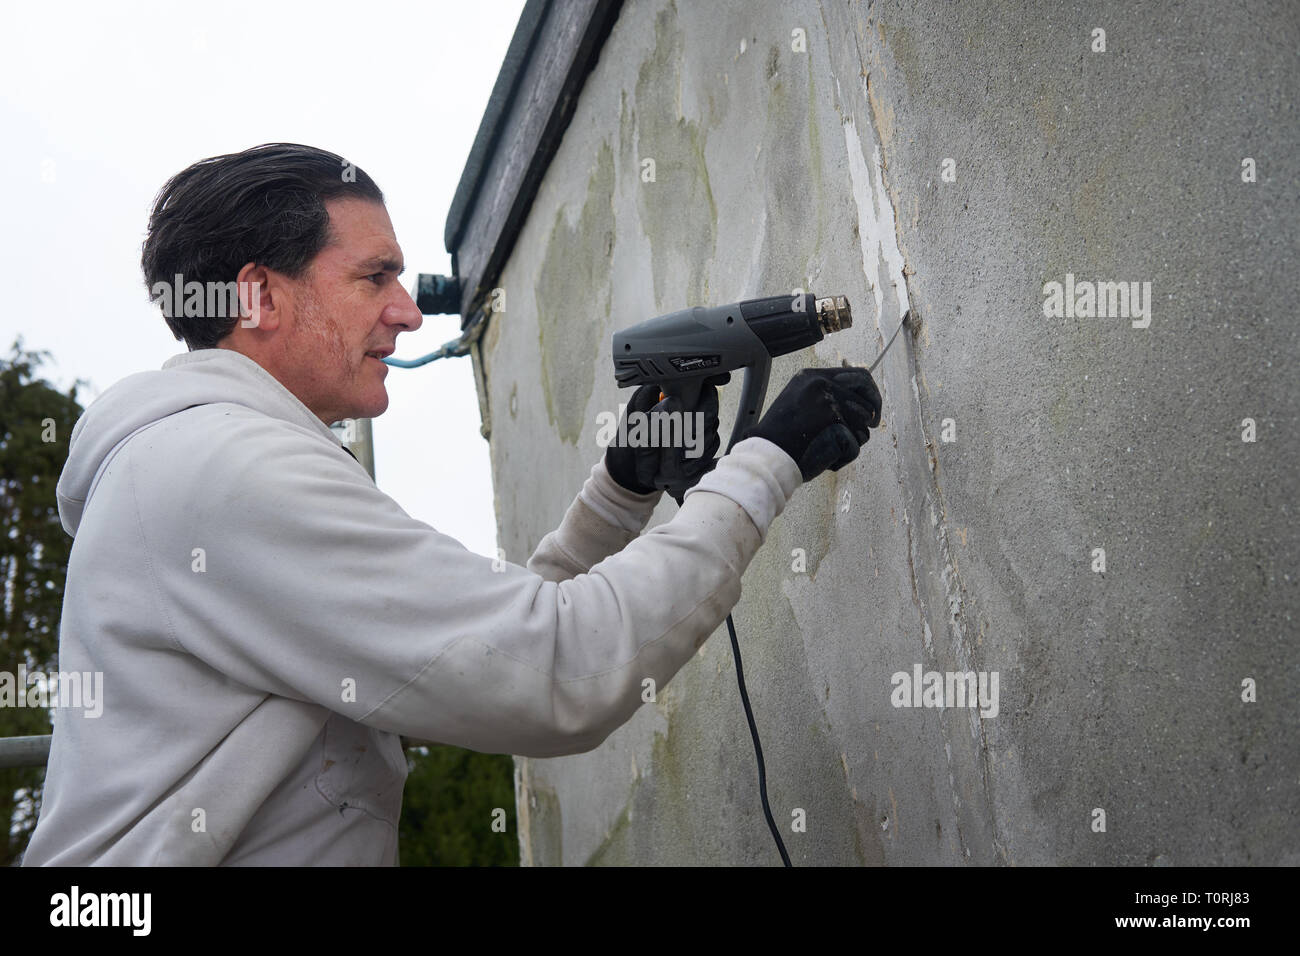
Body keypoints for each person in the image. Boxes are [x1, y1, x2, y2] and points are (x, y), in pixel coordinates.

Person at [23, 143, 881, 865]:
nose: (406, 312)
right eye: (374, 277)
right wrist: (766, 461)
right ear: (260, 297)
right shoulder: (223, 468)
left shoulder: (202, 459)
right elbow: (554, 674)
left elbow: (478, 653)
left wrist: (618, 495)